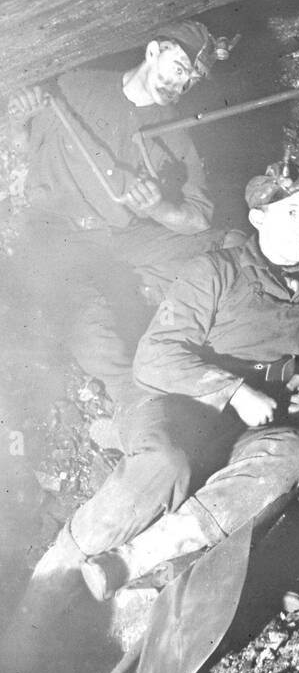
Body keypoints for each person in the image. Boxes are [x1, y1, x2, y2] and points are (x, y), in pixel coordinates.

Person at [38, 153, 299, 601]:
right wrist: (234, 389)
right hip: (176, 408)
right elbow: (154, 358)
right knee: (166, 463)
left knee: (295, 456)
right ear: (258, 219)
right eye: (291, 212)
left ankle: (136, 560)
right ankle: (53, 578)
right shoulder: (215, 271)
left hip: (250, 429)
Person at [6, 22, 232, 404]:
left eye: (189, 80)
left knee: (226, 242)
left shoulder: (173, 130)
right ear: (153, 51)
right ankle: (138, 400)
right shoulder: (79, 85)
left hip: (116, 238)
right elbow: (25, 148)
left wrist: (158, 207)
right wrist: (18, 117)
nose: (179, 86)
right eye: (177, 69)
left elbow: (199, 219)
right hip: (53, 231)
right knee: (91, 323)